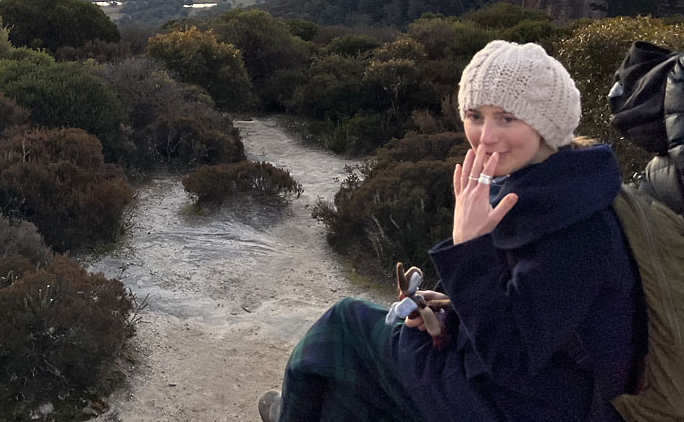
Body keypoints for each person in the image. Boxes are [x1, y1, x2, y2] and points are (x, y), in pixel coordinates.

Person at [259, 40, 641, 422]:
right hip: (522, 390)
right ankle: (306, 404)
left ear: (547, 124)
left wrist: (470, 248)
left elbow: (512, 359)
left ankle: (296, 409)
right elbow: (516, 304)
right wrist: (447, 314)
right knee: (375, 347)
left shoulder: (577, 225)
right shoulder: (551, 184)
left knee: (344, 324)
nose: (486, 136)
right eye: (475, 115)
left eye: (507, 117)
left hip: (529, 405)